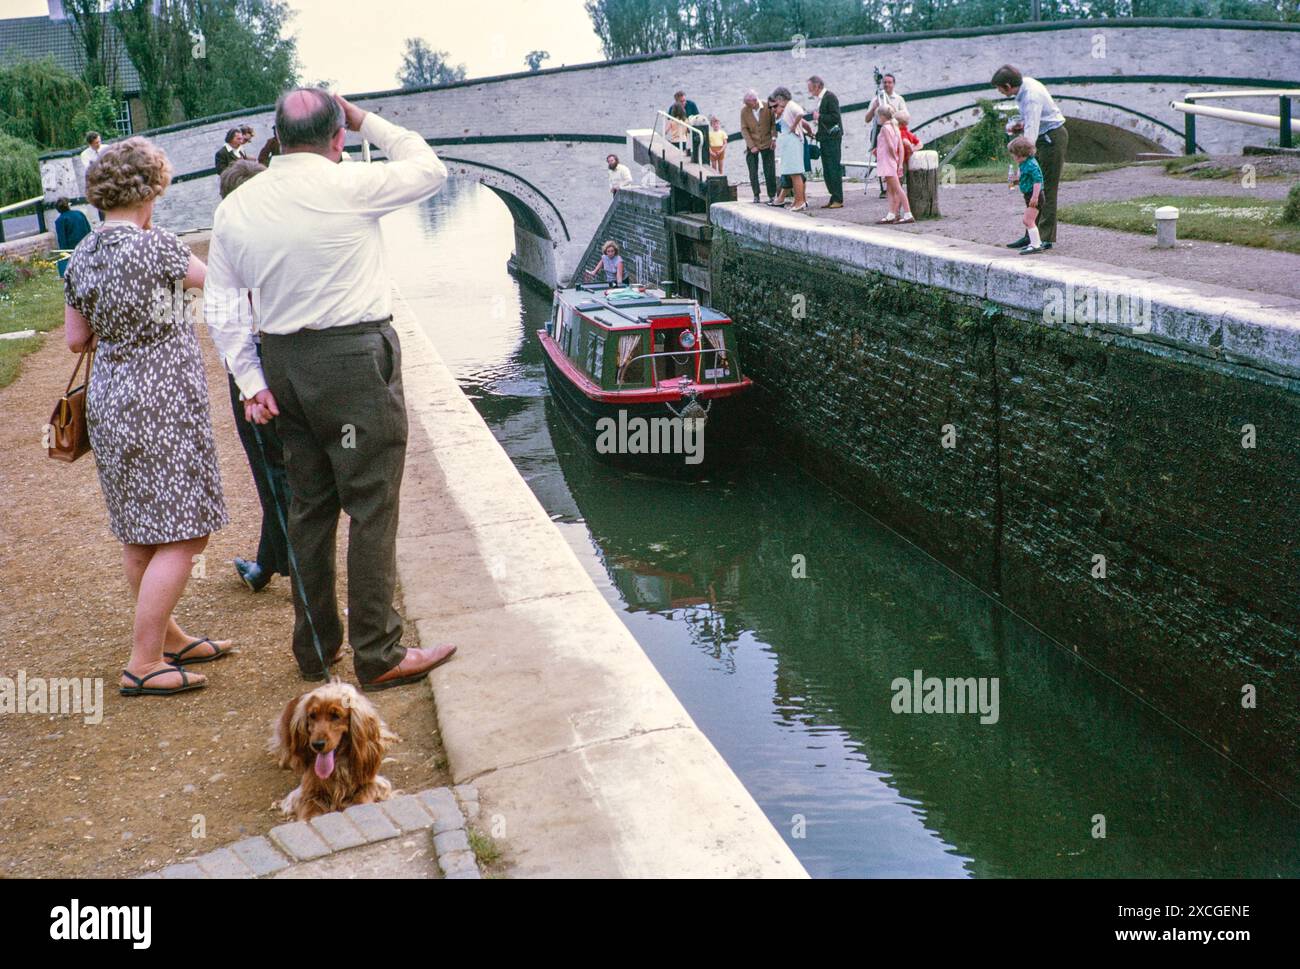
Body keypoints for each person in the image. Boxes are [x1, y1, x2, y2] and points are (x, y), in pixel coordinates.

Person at [204, 88, 454, 691]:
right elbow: (429, 167)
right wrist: (367, 117)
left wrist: (250, 380)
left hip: (285, 362)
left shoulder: (236, 207)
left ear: (276, 138)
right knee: (371, 502)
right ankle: (379, 651)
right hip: (352, 363)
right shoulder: (351, 185)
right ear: (337, 138)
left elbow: (221, 307)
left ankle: (315, 649)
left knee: (310, 505)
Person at [63, 136, 231, 697]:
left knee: (140, 534)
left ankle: (168, 637)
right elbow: (222, 295)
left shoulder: (82, 254)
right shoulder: (156, 245)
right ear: (151, 191)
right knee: (186, 534)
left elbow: (75, 339)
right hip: (164, 402)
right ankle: (143, 661)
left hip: (111, 403)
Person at [211, 158, 295, 594]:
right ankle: (268, 563)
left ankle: (299, 570)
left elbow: (226, 319)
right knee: (288, 469)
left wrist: (246, 383)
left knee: (273, 470)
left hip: (254, 367)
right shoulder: (287, 235)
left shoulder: (232, 244)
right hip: (293, 360)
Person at [993, 65, 1068, 250]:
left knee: (1045, 188)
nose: (998, 91)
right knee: (1032, 190)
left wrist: (1022, 163)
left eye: (999, 88)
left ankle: (1043, 237)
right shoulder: (1025, 86)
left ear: (1008, 85)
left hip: (1051, 139)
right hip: (1044, 136)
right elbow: (1031, 124)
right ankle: (1031, 233)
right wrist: (1021, 126)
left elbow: (1031, 134)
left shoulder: (1031, 97)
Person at [865, 73, 907, 198]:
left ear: (893, 84)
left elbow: (905, 116)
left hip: (894, 127)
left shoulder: (899, 99)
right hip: (879, 129)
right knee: (881, 157)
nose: (887, 85)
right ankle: (884, 188)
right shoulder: (876, 98)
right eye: (885, 82)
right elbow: (867, 119)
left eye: (889, 82)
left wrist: (892, 111)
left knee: (894, 154)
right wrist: (874, 108)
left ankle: (896, 183)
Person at [807, 75, 843, 209]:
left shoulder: (830, 97)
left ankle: (838, 198)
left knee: (833, 168)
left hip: (832, 139)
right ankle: (833, 196)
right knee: (827, 170)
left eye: (811, 88)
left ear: (817, 86)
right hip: (825, 138)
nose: (810, 92)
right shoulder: (822, 99)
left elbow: (835, 117)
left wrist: (820, 116)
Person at [873, 104, 913, 225]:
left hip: (887, 161)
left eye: (878, 116)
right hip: (892, 162)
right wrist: (899, 163)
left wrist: (893, 159)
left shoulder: (885, 128)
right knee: (891, 189)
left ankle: (907, 213)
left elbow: (890, 146)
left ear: (882, 116)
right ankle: (892, 213)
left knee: (897, 189)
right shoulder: (895, 127)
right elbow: (900, 146)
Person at [771, 87, 808, 213]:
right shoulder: (786, 108)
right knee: (793, 173)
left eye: (777, 100)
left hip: (793, 143)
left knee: (795, 173)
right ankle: (798, 200)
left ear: (781, 98)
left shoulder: (791, 105)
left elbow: (800, 113)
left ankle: (800, 201)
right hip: (788, 144)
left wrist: (793, 126)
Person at [1007, 136, 1046, 254]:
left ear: (1020, 153)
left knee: (1028, 220)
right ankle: (1035, 243)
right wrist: (1015, 180)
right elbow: (1025, 179)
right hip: (1029, 195)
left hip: (1035, 196)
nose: (1012, 157)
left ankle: (1035, 245)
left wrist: (1035, 197)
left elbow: (1038, 180)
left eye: (1013, 154)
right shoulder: (1024, 164)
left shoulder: (1031, 164)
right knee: (1028, 220)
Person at [739, 89, 776, 203]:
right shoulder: (744, 111)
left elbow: (773, 124)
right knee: (752, 170)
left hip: (767, 142)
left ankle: (772, 195)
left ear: (754, 101)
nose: (746, 106)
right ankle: (756, 194)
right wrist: (751, 145)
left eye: (748, 104)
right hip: (752, 144)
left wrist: (773, 139)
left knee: (769, 170)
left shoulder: (767, 107)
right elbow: (744, 129)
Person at [669, 90, 704, 164]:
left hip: (691, 129)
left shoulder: (691, 105)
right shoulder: (673, 108)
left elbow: (697, 117)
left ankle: (694, 155)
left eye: (684, 100)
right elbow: (670, 123)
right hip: (680, 133)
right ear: (676, 102)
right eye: (681, 101)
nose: (684, 103)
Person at [79, 131, 106, 218]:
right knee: (102, 204)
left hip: (109, 178)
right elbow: (89, 170)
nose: (99, 144)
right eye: (96, 143)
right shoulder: (85, 155)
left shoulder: (106, 148)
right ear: (90, 144)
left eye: (99, 141)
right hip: (98, 182)